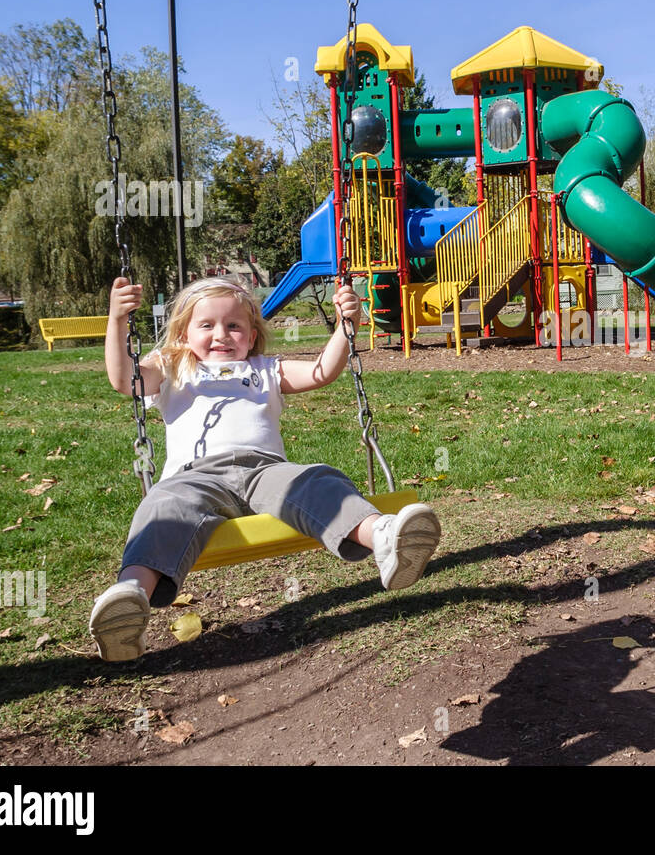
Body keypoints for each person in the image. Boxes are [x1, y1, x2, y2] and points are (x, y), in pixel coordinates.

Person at [90, 276, 441, 661]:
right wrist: (118, 320)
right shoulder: (174, 367)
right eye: (206, 325)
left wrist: (345, 326)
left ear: (253, 335)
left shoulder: (266, 369)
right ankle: (130, 600)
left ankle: (386, 538)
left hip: (264, 472)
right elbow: (126, 380)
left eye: (234, 325)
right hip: (195, 477)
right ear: (183, 334)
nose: (221, 334)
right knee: (163, 505)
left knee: (316, 480)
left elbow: (322, 372)